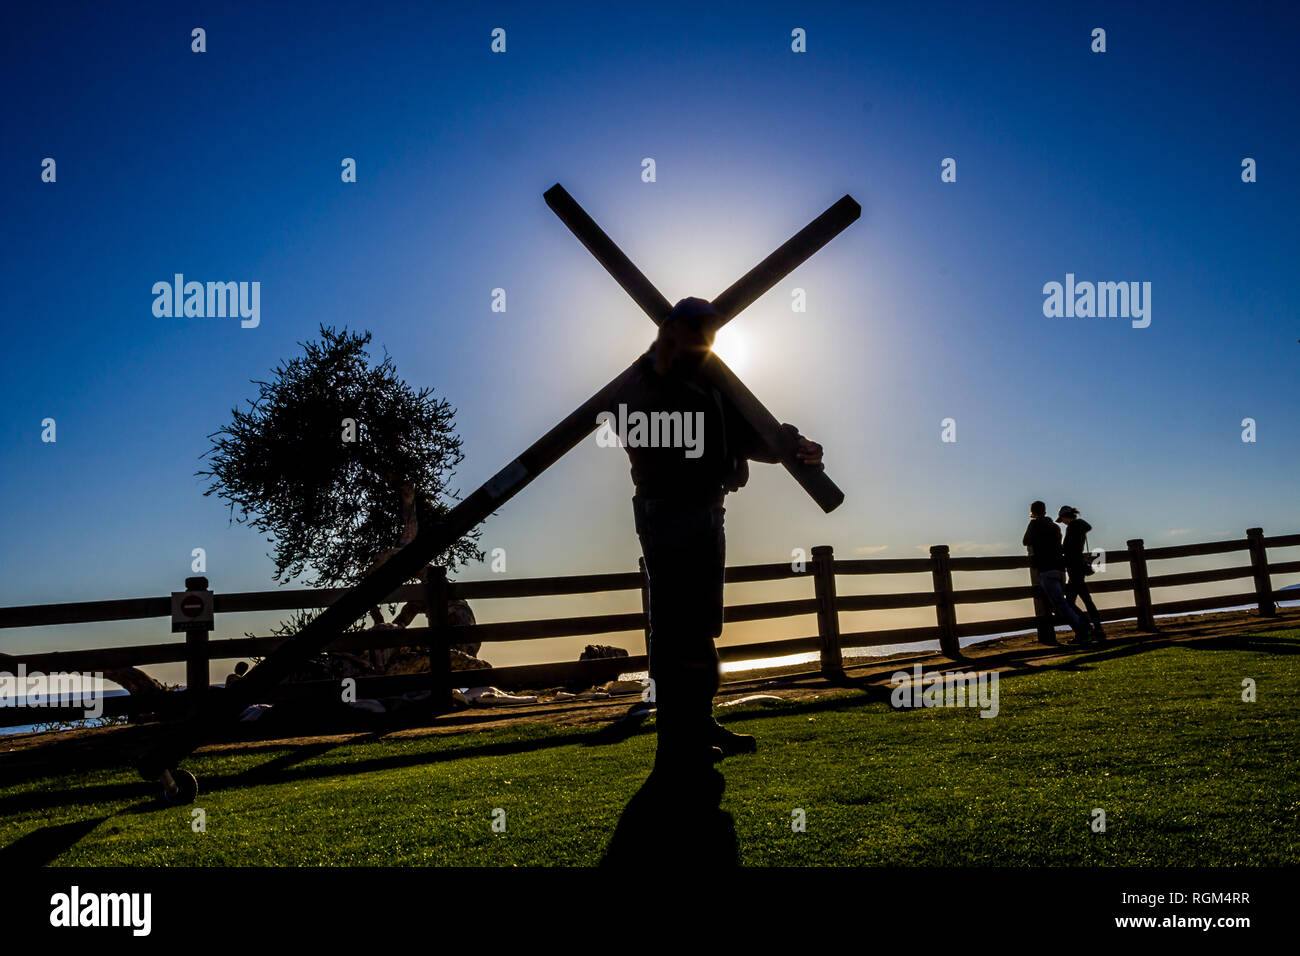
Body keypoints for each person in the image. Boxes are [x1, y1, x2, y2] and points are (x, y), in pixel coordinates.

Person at [614, 297, 824, 775]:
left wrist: (795, 446)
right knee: (675, 624)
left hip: (708, 508)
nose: (706, 340)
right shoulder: (645, 378)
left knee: (702, 621)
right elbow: (634, 424)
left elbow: (751, 433)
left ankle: (698, 723)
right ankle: (675, 741)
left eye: (711, 332)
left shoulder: (712, 381)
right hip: (667, 509)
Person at [1022, 501, 1090, 643]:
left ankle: (1084, 631)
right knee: (1060, 603)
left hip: (1047, 570)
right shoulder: (1054, 527)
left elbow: (1025, 541)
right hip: (1060, 570)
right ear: (1045, 511)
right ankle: (1085, 628)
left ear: (1033, 513)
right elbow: (1060, 546)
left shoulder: (1034, 524)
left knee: (1061, 605)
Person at [1058, 505, 1104, 641]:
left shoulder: (1072, 527)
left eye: (1063, 519)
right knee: (1086, 600)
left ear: (1066, 516)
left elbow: (1067, 548)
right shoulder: (1080, 527)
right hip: (1079, 567)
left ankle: (1086, 630)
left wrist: (1058, 548)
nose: (1063, 522)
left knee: (1070, 603)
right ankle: (1097, 629)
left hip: (1074, 568)